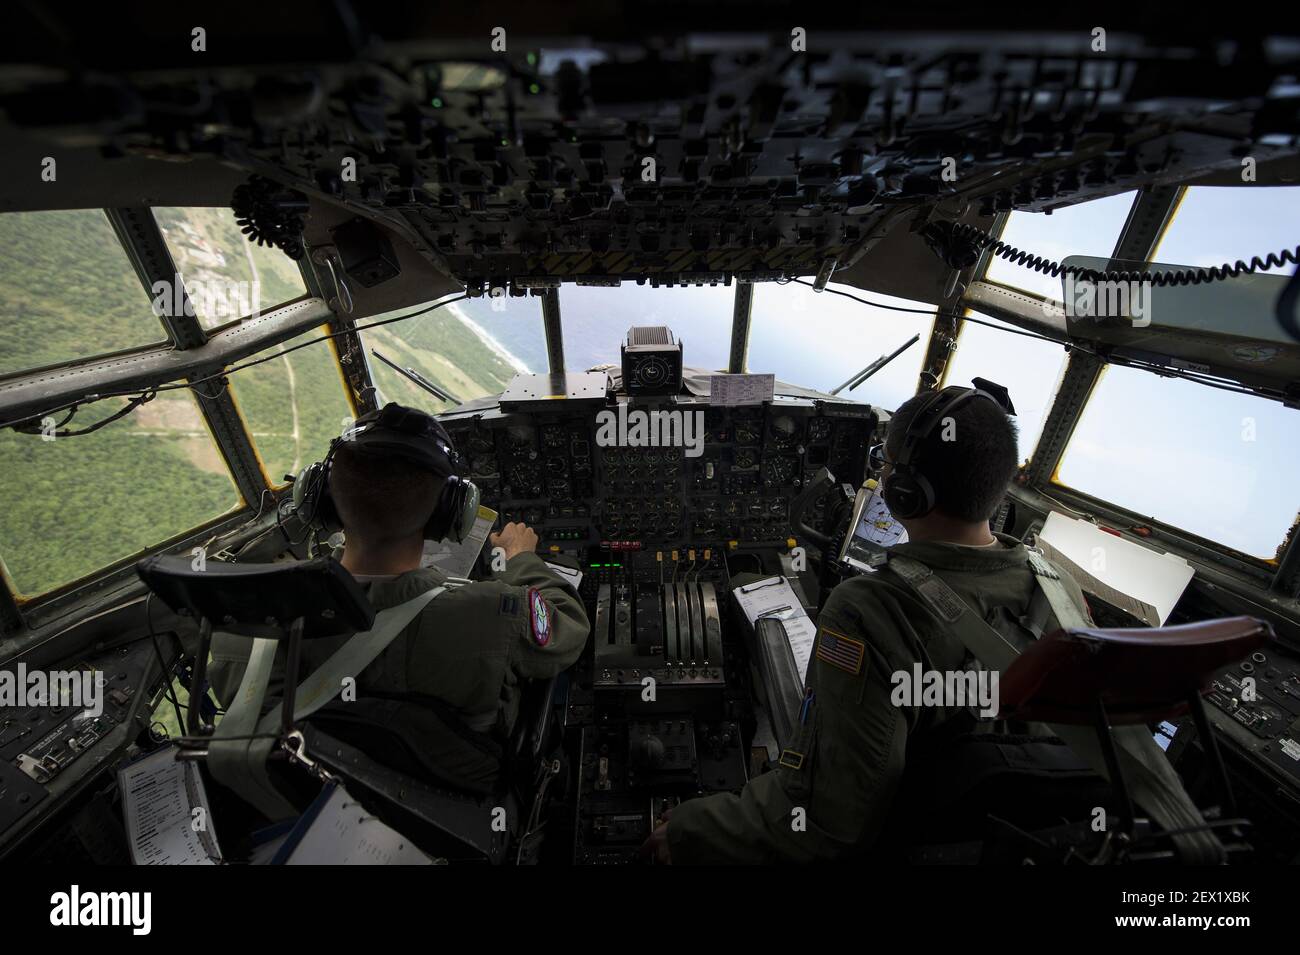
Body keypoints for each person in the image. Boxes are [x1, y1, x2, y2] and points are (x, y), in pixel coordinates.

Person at [646, 385, 1093, 863]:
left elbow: (827, 820)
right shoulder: (1061, 589)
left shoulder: (868, 608)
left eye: (885, 463)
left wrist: (692, 829)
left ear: (906, 490)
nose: (880, 475)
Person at [212, 405, 590, 794]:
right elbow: (569, 627)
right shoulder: (492, 613)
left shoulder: (246, 625)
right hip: (454, 803)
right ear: (451, 514)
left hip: (306, 803)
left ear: (319, 499)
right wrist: (521, 557)